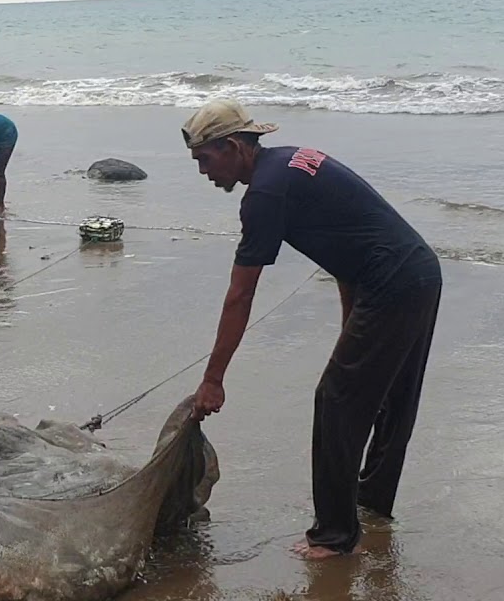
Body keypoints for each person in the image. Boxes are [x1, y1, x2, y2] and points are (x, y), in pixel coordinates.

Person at [182, 98, 442, 560]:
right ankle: (372, 504)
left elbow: (241, 295)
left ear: (235, 146)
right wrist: (351, 323)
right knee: (388, 397)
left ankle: (334, 536)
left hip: (392, 282)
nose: (202, 172)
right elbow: (346, 249)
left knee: (337, 400)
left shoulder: (264, 194)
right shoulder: (289, 160)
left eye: (205, 159)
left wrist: (213, 379)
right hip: (418, 271)